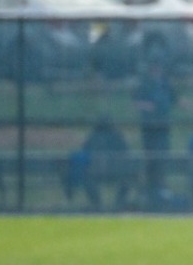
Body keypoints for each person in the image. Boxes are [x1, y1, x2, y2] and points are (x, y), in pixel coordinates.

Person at [134, 60, 178, 208]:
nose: (157, 71)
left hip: (163, 129)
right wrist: (148, 106)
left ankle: (161, 189)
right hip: (149, 130)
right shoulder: (145, 86)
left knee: (163, 158)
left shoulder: (165, 84)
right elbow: (136, 103)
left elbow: (174, 99)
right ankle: (150, 190)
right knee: (151, 160)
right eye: (155, 69)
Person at [64, 119, 133, 210]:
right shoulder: (97, 137)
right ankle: (98, 205)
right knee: (87, 179)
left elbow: (125, 154)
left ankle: (115, 204)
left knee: (128, 179)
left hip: (113, 173)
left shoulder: (114, 138)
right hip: (97, 173)